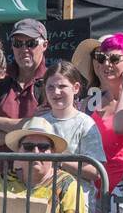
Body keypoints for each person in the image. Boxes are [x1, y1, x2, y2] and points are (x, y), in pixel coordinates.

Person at [0, 19, 50, 149]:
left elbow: (53, 130)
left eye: (31, 43)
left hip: (39, 162)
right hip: (2, 163)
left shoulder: (54, 85)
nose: (24, 49)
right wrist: (28, 127)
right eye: (17, 43)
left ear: (45, 45)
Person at [81, 33, 123, 192]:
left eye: (114, 59)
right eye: (102, 58)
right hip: (92, 189)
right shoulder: (90, 101)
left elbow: (121, 127)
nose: (106, 64)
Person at [37, 59, 105, 188]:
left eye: (62, 86)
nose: (56, 92)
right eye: (50, 87)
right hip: (42, 194)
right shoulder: (39, 123)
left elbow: (96, 171)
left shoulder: (85, 124)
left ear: (76, 88)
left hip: (77, 197)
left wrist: (59, 161)